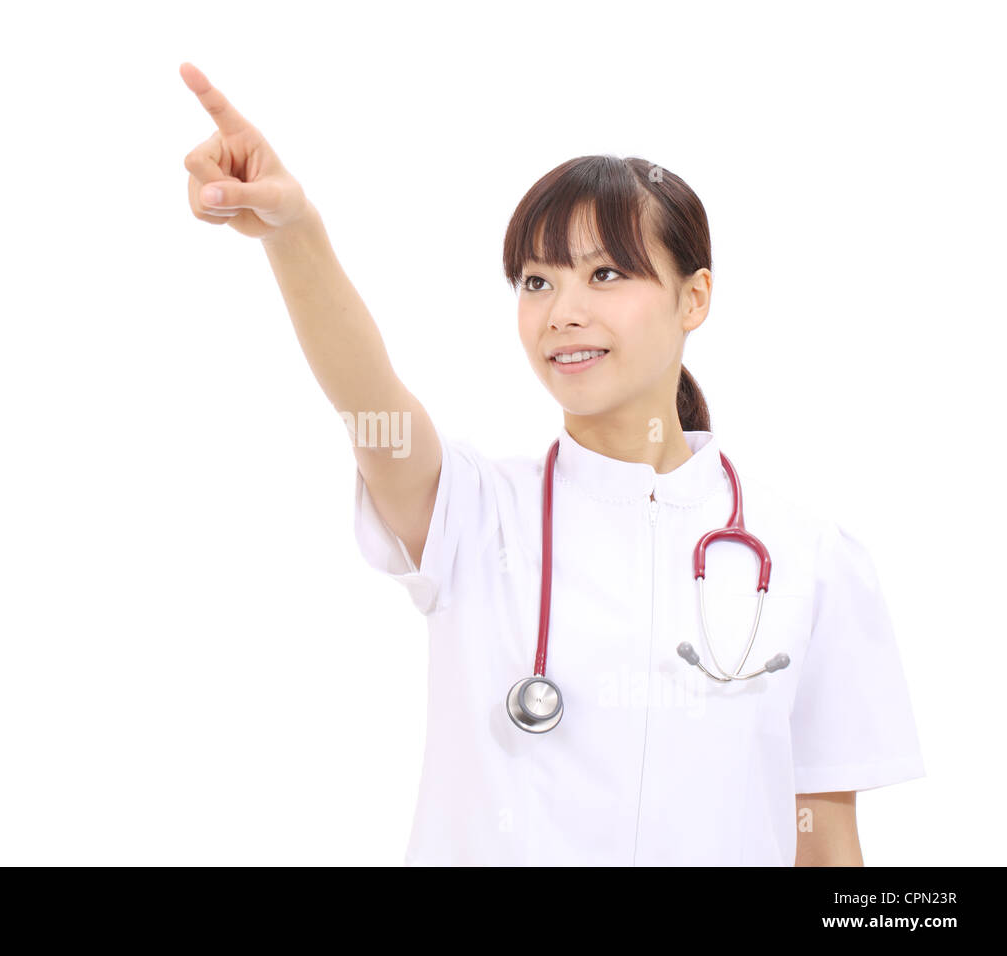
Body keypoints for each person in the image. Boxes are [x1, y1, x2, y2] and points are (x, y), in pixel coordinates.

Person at [179, 62, 925, 866]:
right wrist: (294, 235)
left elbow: (826, 839)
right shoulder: (471, 513)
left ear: (694, 299)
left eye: (605, 273)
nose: (563, 311)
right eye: (538, 280)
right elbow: (371, 404)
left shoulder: (811, 556)